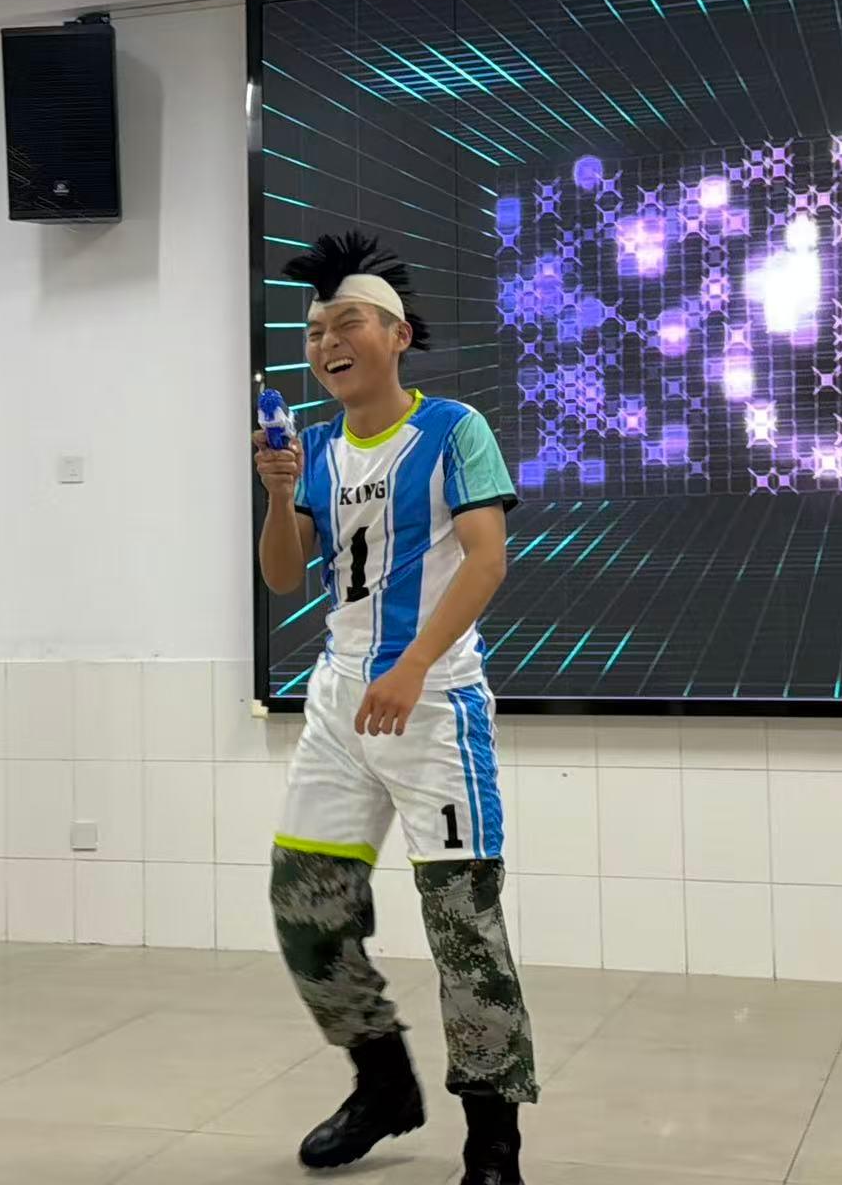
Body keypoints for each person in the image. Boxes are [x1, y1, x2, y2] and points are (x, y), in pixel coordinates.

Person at [254, 232, 534, 1185]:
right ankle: (382, 1084)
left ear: (398, 335)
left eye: (348, 324)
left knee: (463, 926)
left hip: (435, 704)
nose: (327, 342)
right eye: (315, 331)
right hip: (339, 704)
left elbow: (487, 561)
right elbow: (283, 578)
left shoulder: (454, 429)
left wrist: (414, 665)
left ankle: (493, 1140)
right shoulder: (318, 450)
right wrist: (277, 496)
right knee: (304, 907)